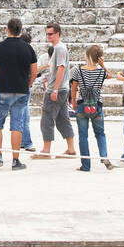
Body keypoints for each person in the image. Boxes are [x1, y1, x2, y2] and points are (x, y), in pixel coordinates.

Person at [0, 17, 38, 171]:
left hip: (2, 90)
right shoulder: (28, 48)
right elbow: (34, 72)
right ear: (20, 30)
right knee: (17, 125)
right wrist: (28, 84)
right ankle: (16, 160)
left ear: (7, 29)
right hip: (21, 91)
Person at [34, 22, 76, 160]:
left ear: (57, 33)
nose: (48, 36)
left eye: (50, 34)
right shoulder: (58, 48)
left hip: (57, 89)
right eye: (47, 34)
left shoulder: (59, 48)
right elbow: (57, 70)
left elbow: (62, 68)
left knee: (46, 119)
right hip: (62, 89)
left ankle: (46, 150)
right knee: (63, 119)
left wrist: (55, 89)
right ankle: (71, 149)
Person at [69, 45, 114, 171]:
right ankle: (104, 156)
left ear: (87, 56)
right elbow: (110, 75)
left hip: (82, 105)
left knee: (83, 136)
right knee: (100, 133)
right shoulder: (101, 71)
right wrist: (103, 65)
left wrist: (73, 101)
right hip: (97, 105)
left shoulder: (78, 70)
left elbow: (74, 88)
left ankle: (86, 165)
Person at [19, 30, 37, 151]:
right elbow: (34, 72)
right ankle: (27, 142)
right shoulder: (29, 53)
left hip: (14, 87)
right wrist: (29, 84)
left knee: (19, 115)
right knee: (25, 116)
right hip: (24, 87)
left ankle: (20, 141)